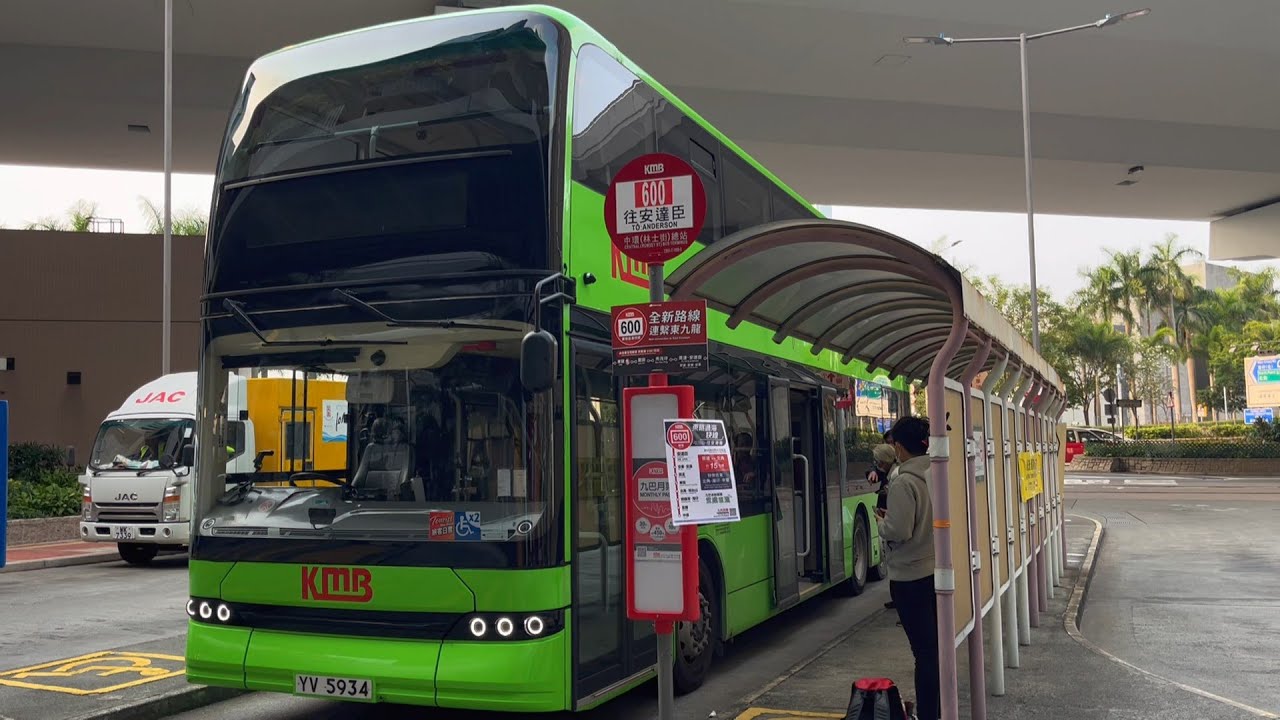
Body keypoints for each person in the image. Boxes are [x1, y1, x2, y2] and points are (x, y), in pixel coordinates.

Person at [875, 415, 938, 720]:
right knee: (934, 649)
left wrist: (881, 525)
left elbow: (898, 530)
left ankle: (928, 713)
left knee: (924, 655)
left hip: (910, 577)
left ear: (899, 447)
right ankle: (938, 709)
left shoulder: (904, 481)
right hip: (936, 570)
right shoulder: (938, 473)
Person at [868, 442, 898, 609]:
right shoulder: (892, 472)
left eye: (878, 462)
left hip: (890, 519)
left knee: (892, 560)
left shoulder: (896, 475)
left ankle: (898, 600)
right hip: (888, 513)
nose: (878, 466)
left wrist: (884, 519)